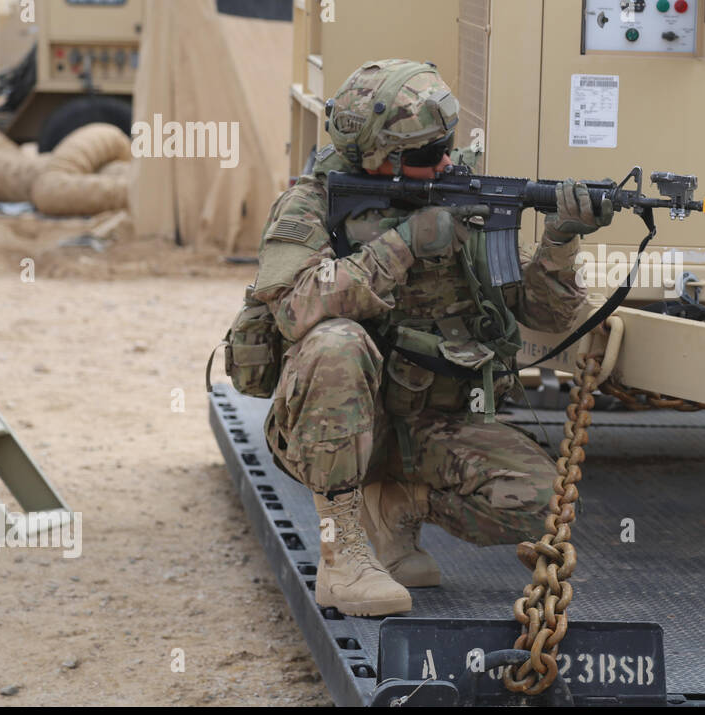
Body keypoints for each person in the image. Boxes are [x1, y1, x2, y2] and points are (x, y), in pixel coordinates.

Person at [250, 59, 610, 616]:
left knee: (542, 505)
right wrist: (404, 244)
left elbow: (543, 313)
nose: (443, 161)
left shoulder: (456, 197)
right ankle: (342, 554)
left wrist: (561, 239)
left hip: (432, 422)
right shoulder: (313, 203)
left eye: (445, 144)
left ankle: (399, 507)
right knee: (336, 342)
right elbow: (297, 308)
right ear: (376, 156)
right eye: (423, 155)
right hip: (334, 426)